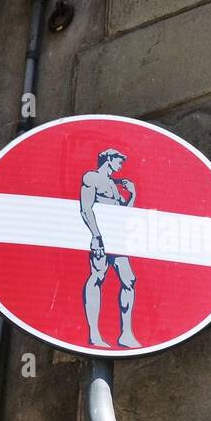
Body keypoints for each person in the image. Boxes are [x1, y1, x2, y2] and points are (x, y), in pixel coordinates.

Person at [79, 149, 140, 348]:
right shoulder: (92, 178)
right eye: (118, 160)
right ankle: (95, 334)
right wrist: (96, 237)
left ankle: (126, 334)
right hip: (101, 238)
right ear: (108, 159)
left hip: (117, 238)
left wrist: (132, 194)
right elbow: (86, 208)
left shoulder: (115, 186)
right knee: (97, 277)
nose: (121, 165)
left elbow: (124, 213)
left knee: (129, 280)